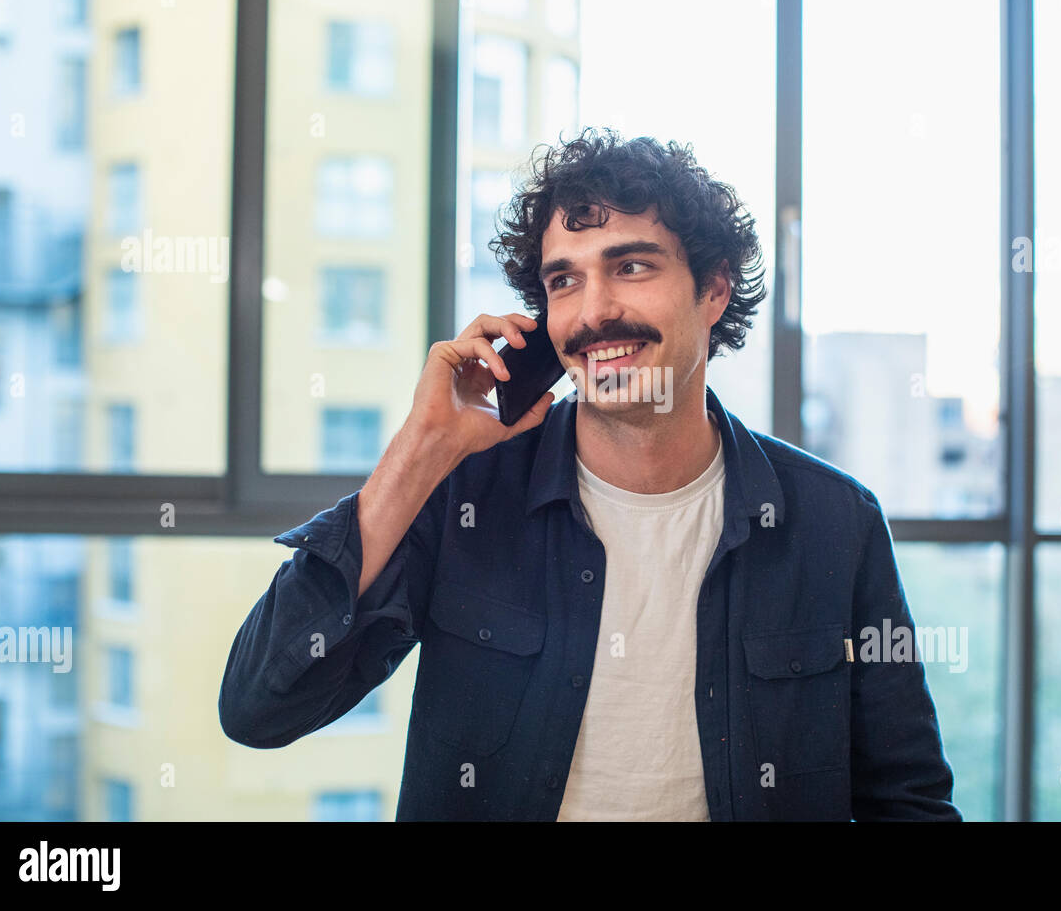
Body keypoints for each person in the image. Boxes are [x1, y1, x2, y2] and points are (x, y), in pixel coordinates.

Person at [219, 126, 962, 821]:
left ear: (713, 290)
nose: (594, 312)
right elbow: (260, 707)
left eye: (630, 266)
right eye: (564, 281)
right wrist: (422, 449)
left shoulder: (835, 525)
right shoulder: (465, 495)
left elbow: (909, 799)